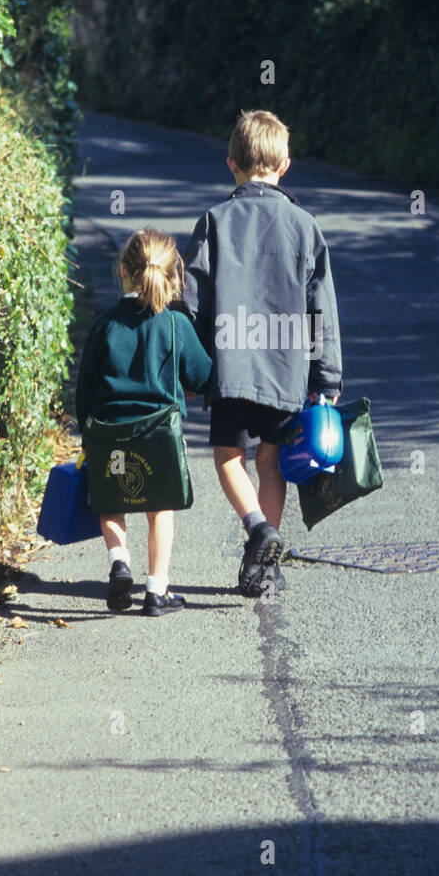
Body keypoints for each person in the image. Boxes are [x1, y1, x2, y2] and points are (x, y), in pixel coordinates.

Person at [182, 109, 342, 597]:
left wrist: (187, 366)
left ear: (231, 164)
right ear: (285, 165)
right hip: (285, 369)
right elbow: (320, 311)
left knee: (230, 458)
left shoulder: (214, 221)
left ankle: (258, 531)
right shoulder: (305, 226)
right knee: (272, 463)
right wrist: (327, 380)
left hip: (231, 364)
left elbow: (192, 301)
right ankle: (265, 568)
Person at [76, 229, 212, 615]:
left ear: (123, 271)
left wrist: (87, 432)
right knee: (160, 507)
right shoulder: (174, 324)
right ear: (171, 277)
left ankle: (119, 563)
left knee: (109, 502)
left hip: (110, 435)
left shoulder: (104, 326)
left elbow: (85, 388)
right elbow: (201, 376)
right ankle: (157, 591)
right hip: (159, 436)